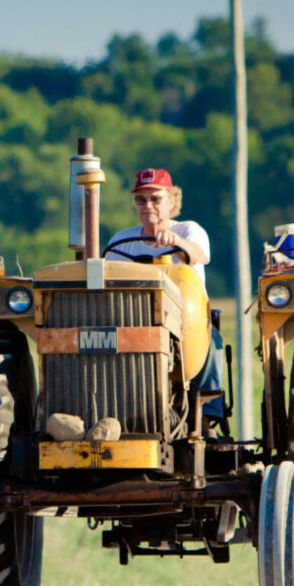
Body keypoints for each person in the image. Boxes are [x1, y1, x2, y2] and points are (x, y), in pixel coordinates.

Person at [106, 168, 226, 426]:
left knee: (211, 342)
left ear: (171, 201)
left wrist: (177, 244)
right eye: (141, 200)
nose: (148, 205)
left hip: (185, 325)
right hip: (133, 321)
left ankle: (205, 419)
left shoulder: (188, 231)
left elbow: (198, 256)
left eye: (155, 199)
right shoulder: (121, 241)